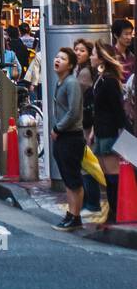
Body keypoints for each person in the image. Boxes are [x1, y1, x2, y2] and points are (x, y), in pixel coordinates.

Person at [89, 41, 128, 226]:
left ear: (102, 57)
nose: (91, 56)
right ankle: (113, 211)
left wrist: (126, 134)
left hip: (110, 131)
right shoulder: (101, 78)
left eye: (93, 53)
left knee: (112, 174)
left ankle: (115, 211)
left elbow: (117, 110)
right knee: (107, 173)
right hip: (102, 130)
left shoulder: (109, 80)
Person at [51, 47, 85, 230]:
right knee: (67, 176)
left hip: (71, 136)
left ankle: (75, 216)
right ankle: (71, 213)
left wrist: (58, 127)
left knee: (73, 178)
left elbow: (73, 112)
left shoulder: (71, 83)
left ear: (70, 64)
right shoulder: (60, 82)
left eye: (63, 58)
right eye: (57, 57)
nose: (57, 60)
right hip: (63, 136)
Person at [74, 39, 101, 214]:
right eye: (76, 49)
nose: (78, 53)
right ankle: (90, 201)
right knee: (87, 162)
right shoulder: (84, 71)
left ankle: (91, 202)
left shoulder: (84, 73)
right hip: (88, 122)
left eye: (83, 50)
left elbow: (75, 99)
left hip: (86, 124)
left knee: (86, 163)